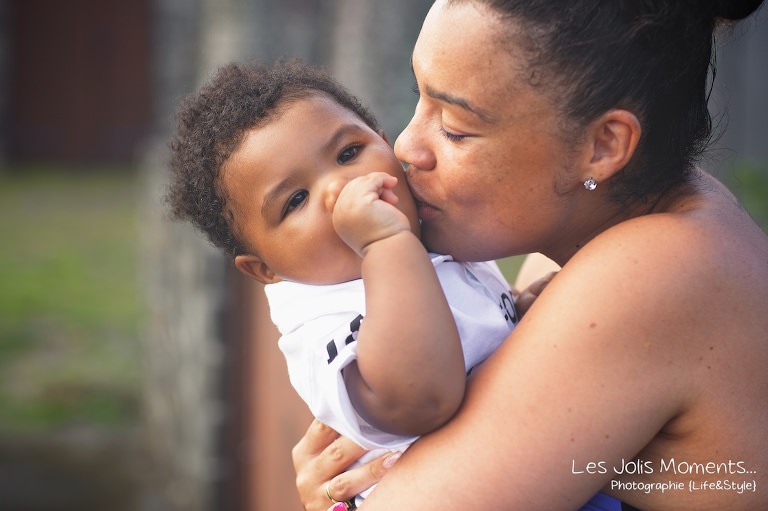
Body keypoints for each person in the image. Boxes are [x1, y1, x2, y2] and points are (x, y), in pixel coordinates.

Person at [291, 1, 768, 510]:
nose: (407, 146)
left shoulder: (659, 268)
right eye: (419, 97)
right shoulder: (592, 246)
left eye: (454, 126)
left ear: (602, 146)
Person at [168, 60, 619, 509]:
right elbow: (423, 399)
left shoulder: (436, 243)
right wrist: (384, 243)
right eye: (296, 200)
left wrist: (518, 313)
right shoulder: (324, 323)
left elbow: (469, 346)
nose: (340, 187)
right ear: (265, 269)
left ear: (384, 144)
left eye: (348, 153)